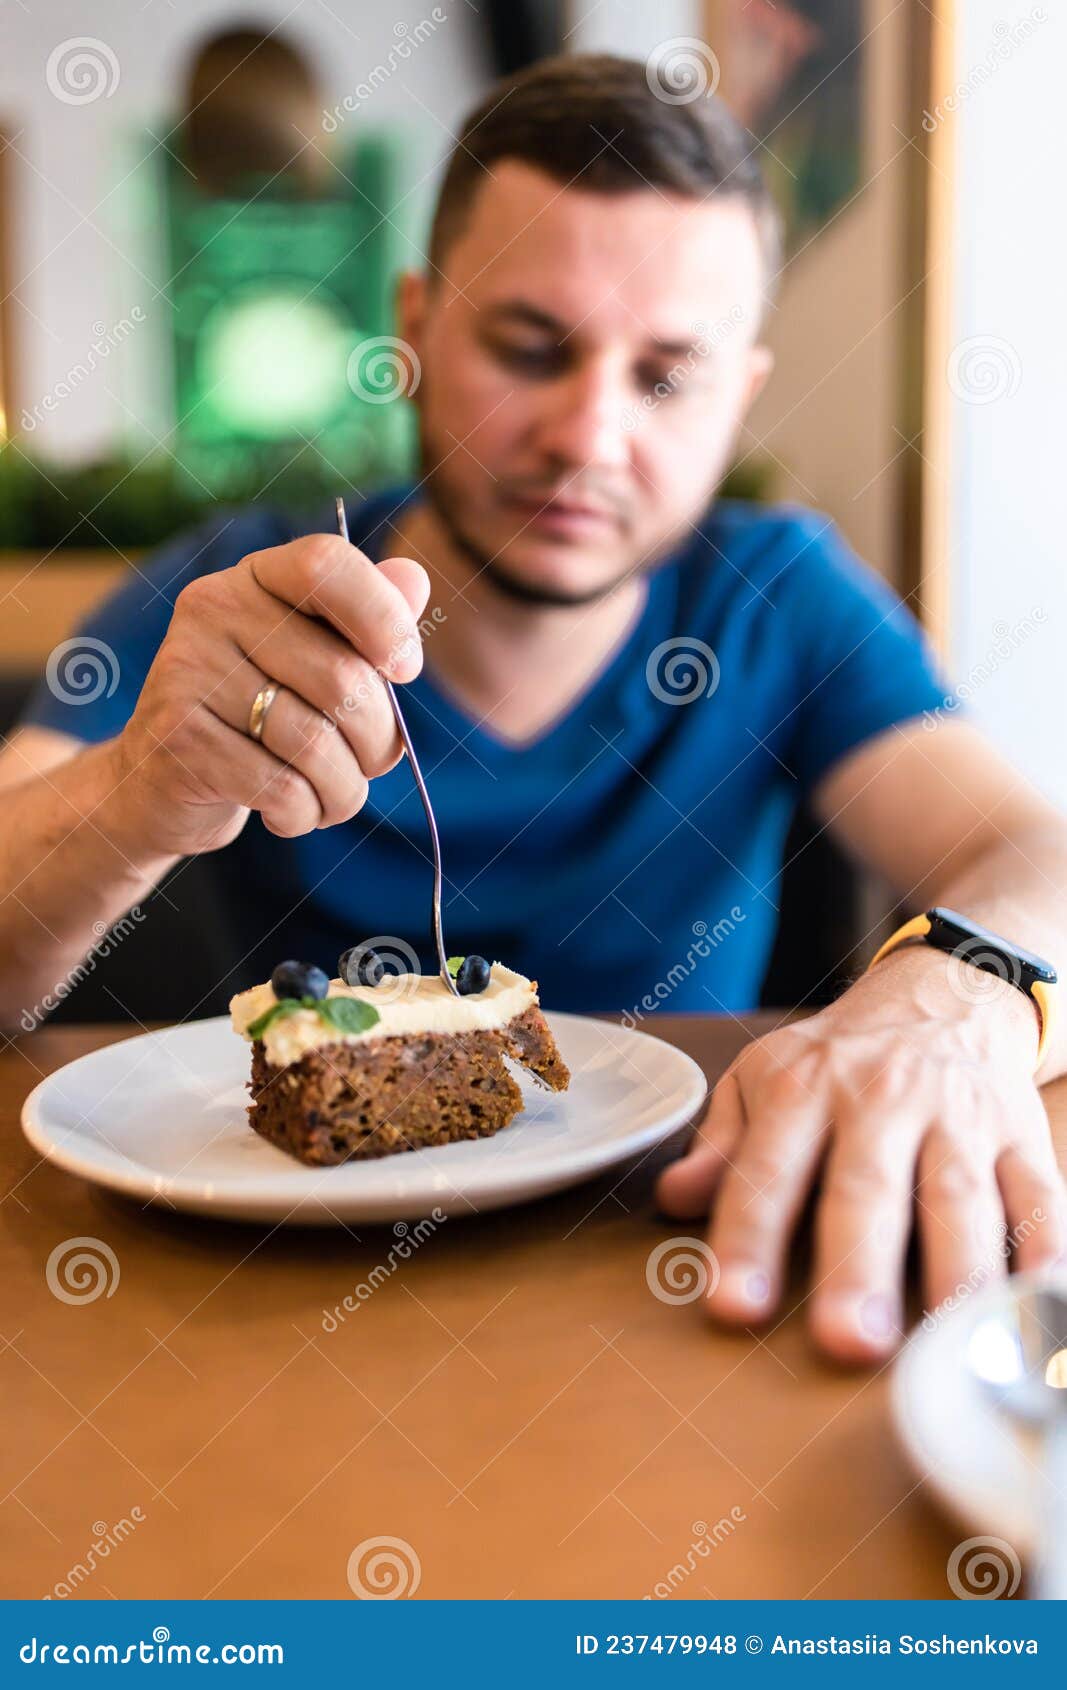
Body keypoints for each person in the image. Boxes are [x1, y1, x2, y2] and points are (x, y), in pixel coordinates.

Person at [3, 55, 1065, 1363]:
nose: (589, 434)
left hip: (682, 1291)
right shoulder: (238, 599)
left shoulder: (774, 598)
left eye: (667, 374)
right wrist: (126, 799)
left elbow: (1036, 855)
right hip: (257, 1308)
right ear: (415, 326)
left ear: (738, 395)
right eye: (528, 346)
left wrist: (958, 988)